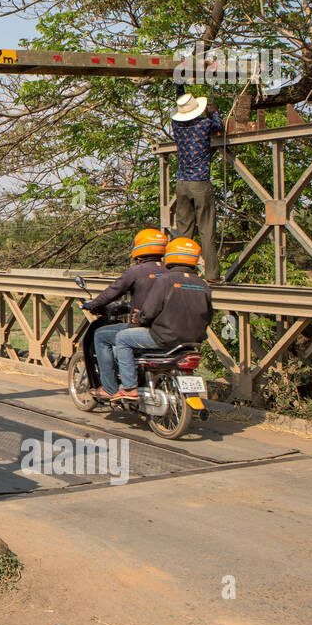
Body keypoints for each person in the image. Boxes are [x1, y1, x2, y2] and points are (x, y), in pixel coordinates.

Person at [110, 237, 214, 401]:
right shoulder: (202, 284)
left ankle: (129, 388)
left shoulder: (165, 280)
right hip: (193, 341)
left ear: (171, 255)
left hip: (164, 337)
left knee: (122, 338)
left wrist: (138, 317)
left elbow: (149, 312)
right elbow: (208, 316)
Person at [83, 228, 169, 398]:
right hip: (169, 328)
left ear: (139, 247)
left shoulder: (136, 271)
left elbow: (113, 291)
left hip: (144, 327)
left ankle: (109, 388)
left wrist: (93, 304)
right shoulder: (171, 271)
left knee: (101, 336)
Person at [171, 92, 223, 281]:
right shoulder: (205, 124)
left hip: (182, 183)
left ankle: (180, 271)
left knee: (184, 231)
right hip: (200, 182)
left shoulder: (176, 126)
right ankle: (212, 274)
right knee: (206, 229)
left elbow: (179, 94)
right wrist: (214, 112)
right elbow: (220, 127)